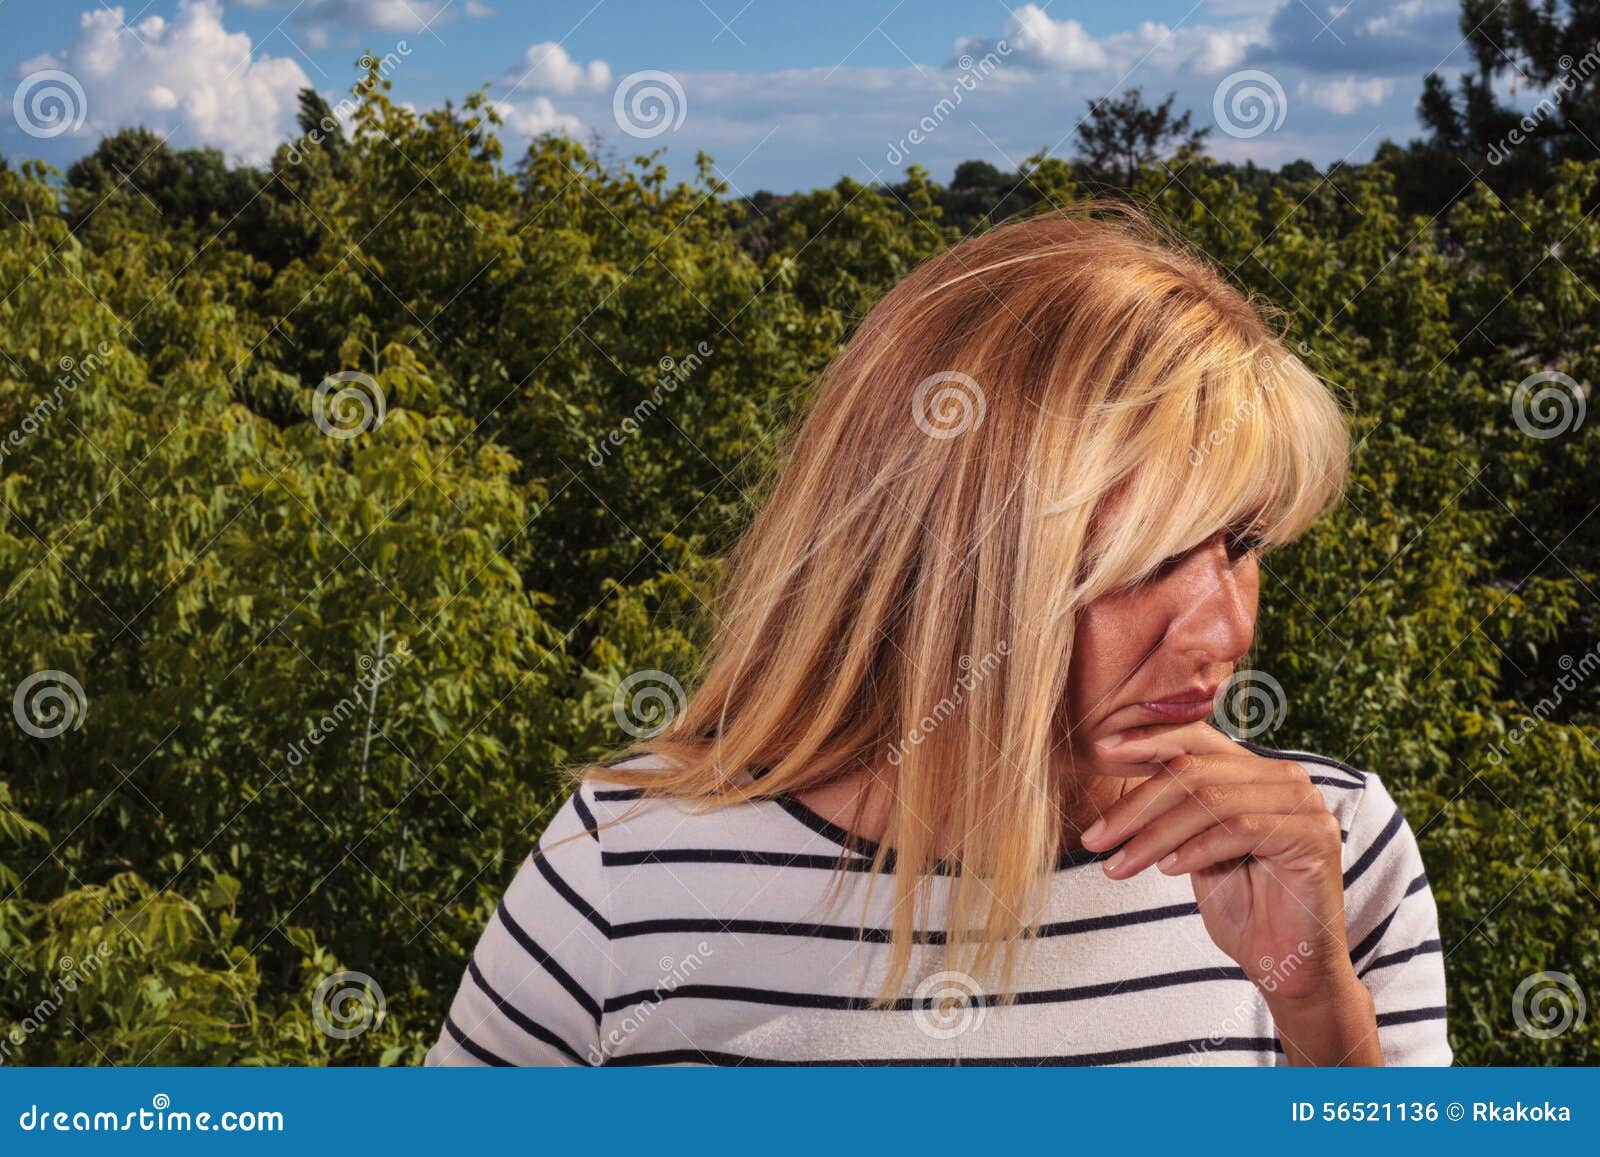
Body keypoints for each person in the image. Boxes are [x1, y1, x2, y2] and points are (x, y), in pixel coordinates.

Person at [426, 201, 1450, 1066]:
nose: (1224, 627)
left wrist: (1315, 1004)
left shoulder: (1332, 849)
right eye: (1144, 559)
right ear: (950, 558)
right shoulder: (628, 868)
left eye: (1242, 541)